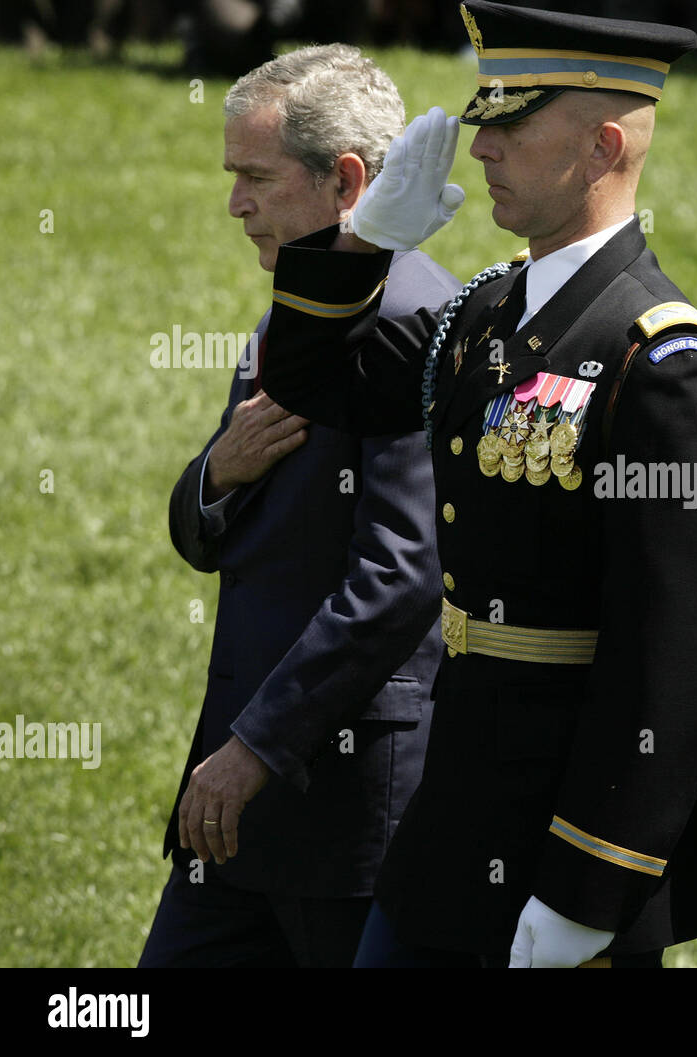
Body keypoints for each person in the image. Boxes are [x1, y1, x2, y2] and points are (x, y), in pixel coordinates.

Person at [259, 1, 697, 967]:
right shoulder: (487, 312)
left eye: (513, 123)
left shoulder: (658, 358)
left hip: (563, 848)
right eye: (482, 117)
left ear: (604, 144)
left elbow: (675, 662)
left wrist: (588, 888)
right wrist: (364, 245)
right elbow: (317, 380)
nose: (479, 146)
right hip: (448, 826)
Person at [139, 44, 460, 968]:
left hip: (342, 812)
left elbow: (399, 578)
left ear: (346, 181)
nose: (235, 205)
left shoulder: (411, 322)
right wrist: (218, 477)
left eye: (256, 178)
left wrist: (256, 749)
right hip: (242, 804)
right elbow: (207, 531)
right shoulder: (292, 315)